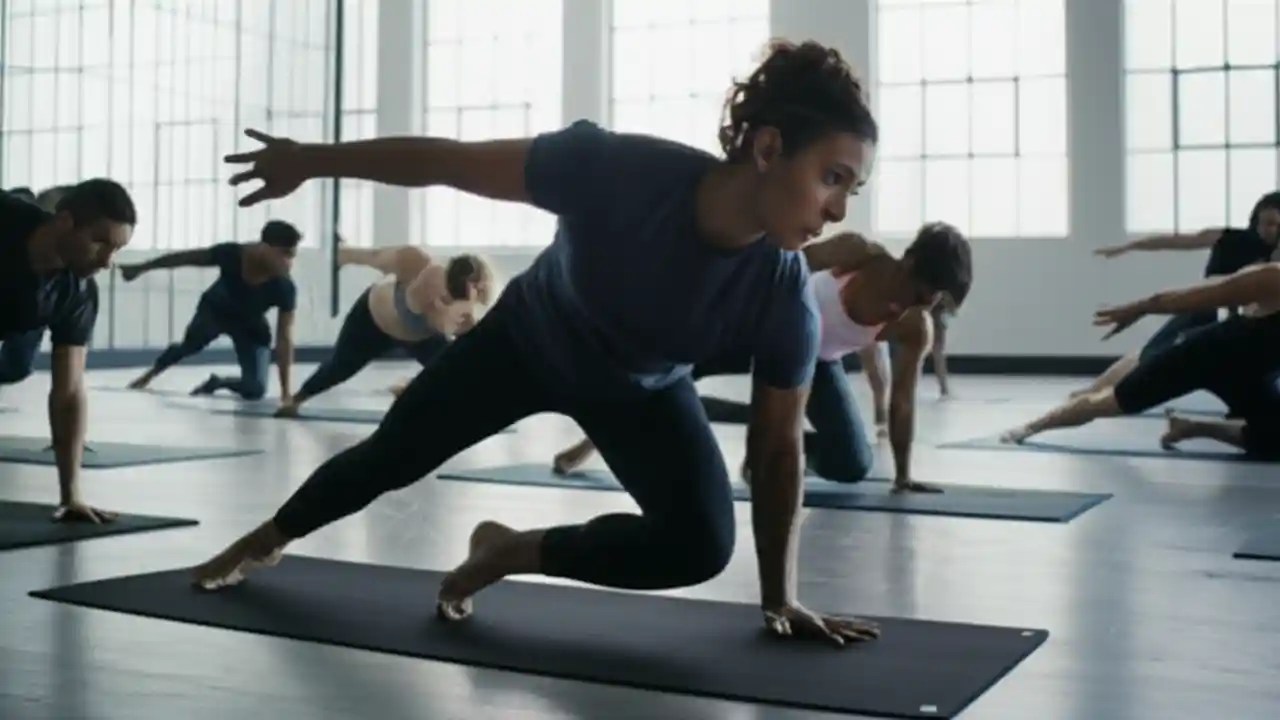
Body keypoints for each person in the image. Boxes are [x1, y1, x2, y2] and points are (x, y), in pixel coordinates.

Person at [194, 39, 887, 646]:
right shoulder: (614, 170)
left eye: (851, 189)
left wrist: (780, 598)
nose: (838, 210)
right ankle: (266, 541)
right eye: (833, 178)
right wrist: (311, 160)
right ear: (768, 149)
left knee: (700, 545)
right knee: (390, 458)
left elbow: (775, 452)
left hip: (639, 390)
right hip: (524, 344)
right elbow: (451, 162)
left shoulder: (784, 295)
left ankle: (505, 551)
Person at [551, 222, 972, 494]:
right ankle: (593, 441)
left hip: (815, 360)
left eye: (929, 303)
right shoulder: (856, 253)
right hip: (759, 324)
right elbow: (777, 266)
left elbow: (902, 401)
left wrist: (902, 475)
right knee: (660, 369)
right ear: (909, 262)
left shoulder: (915, 326)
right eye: (917, 295)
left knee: (851, 464)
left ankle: (774, 439)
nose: (914, 308)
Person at [1000, 261, 1280, 459]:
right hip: (1201, 355)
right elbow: (1193, 297)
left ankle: (1191, 428)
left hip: (1252, 374)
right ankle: (1033, 425)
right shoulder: (1272, 278)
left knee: (1272, 442)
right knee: (1109, 403)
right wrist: (1140, 307)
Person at [0, 179, 137, 522]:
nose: (107, 261)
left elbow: (70, 391)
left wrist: (71, 494)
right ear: (63, 222)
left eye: (117, 249)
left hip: (18, 311)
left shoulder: (77, 293)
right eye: (99, 242)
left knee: (16, 368)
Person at [1073, 191, 1280, 398]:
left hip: (1243, 325)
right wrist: (1129, 246)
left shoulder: (1275, 257)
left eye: (1277, 225)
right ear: (1255, 220)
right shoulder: (1228, 237)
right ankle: (1095, 391)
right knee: (1148, 354)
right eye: (1268, 223)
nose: (1272, 230)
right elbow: (1176, 241)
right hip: (1205, 310)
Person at [275, 242, 494, 417]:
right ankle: (295, 400)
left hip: (419, 338)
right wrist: (345, 255)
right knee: (339, 367)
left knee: (455, 375)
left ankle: (406, 387)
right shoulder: (415, 263)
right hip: (370, 321)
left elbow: (469, 345)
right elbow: (375, 257)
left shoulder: (465, 310)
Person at [119, 221, 302, 401]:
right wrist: (141, 268)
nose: (288, 264)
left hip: (250, 324)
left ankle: (218, 383)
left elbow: (284, 338)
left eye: (292, 256)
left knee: (256, 389)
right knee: (189, 346)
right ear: (264, 247)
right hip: (215, 311)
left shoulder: (284, 286)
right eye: (284, 255)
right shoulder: (232, 254)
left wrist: (286, 393)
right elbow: (185, 258)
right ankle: (150, 374)